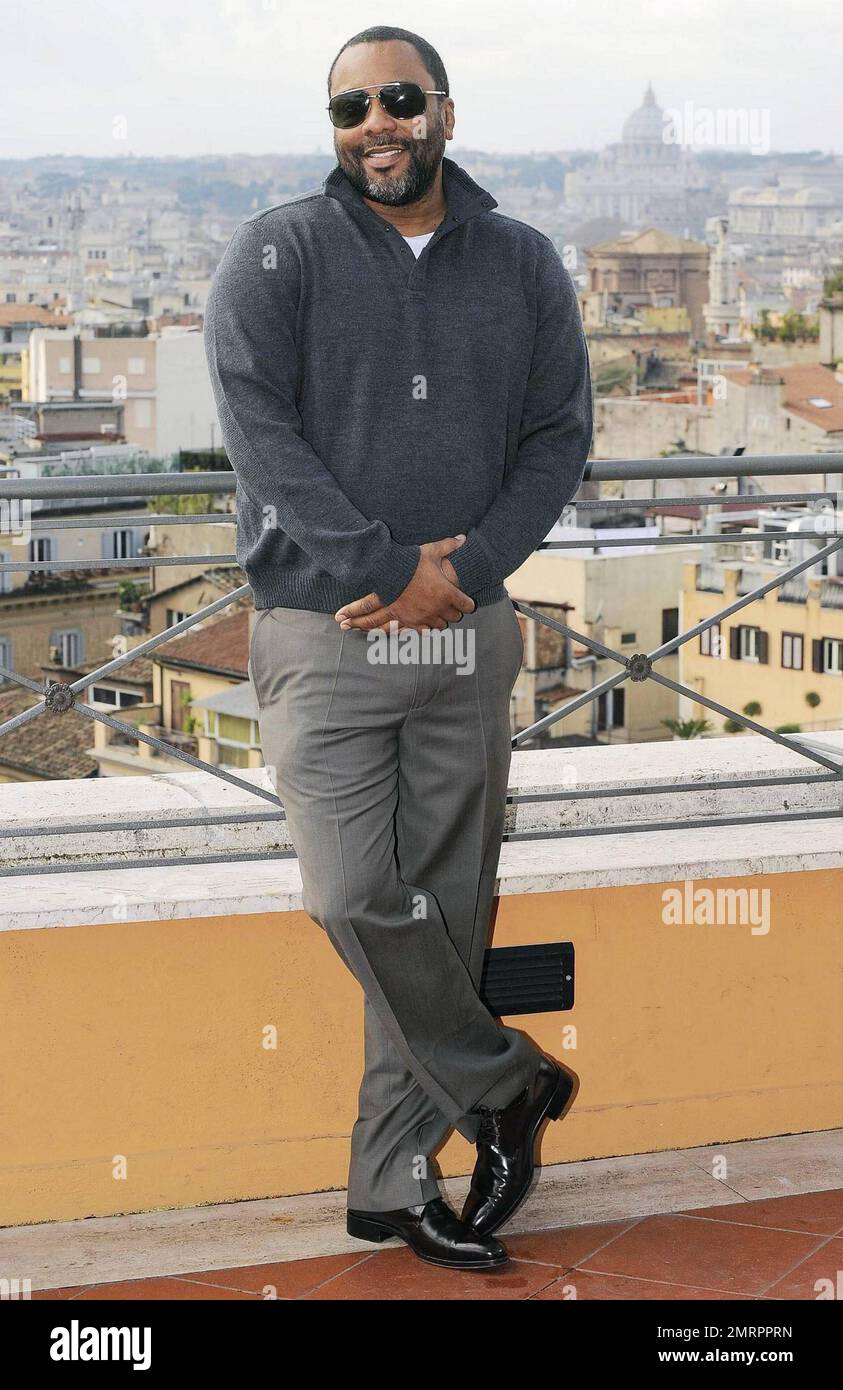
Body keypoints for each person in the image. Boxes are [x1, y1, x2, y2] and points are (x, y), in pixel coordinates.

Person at [204, 24, 592, 1271]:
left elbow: (558, 438)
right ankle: (506, 1083)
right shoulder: (277, 250)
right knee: (355, 894)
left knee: (447, 902)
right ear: (334, 129)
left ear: (444, 112)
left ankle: (392, 1185)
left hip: (465, 634)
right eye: (350, 107)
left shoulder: (523, 262)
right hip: (324, 631)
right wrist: (388, 568)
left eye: (399, 98)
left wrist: (462, 577)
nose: (376, 121)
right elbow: (259, 432)